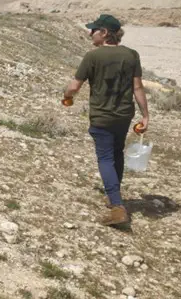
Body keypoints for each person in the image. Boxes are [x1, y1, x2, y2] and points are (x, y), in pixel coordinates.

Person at [62, 14, 149, 226]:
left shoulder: (93, 57)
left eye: (94, 30)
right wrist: (145, 115)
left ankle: (118, 207)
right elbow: (137, 87)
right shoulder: (131, 55)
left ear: (105, 33)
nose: (90, 33)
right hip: (124, 115)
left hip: (102, 116)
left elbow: (74, 86)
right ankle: (113, 197)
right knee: (116, 153)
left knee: (105, 158)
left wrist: (67, 96)